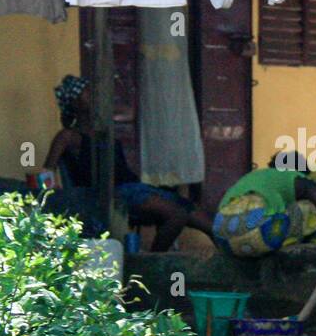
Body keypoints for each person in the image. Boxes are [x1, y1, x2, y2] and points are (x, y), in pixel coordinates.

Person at [43, 75, 211, 252]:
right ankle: (152, 264)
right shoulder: (68, 136)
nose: (94, 96)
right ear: (75, 103)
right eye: (87, 93)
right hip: (110, 194)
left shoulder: (104, 132)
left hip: (132, 188)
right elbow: (47, 171)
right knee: (177, 214)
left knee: (202, 219)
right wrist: (52, 197)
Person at [212, 151, 316, 257]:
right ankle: (313, 250)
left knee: (281, 213)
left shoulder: (254, 177)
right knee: (312, 208)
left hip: (224, 239)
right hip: (262, 233)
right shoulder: (294, 176)